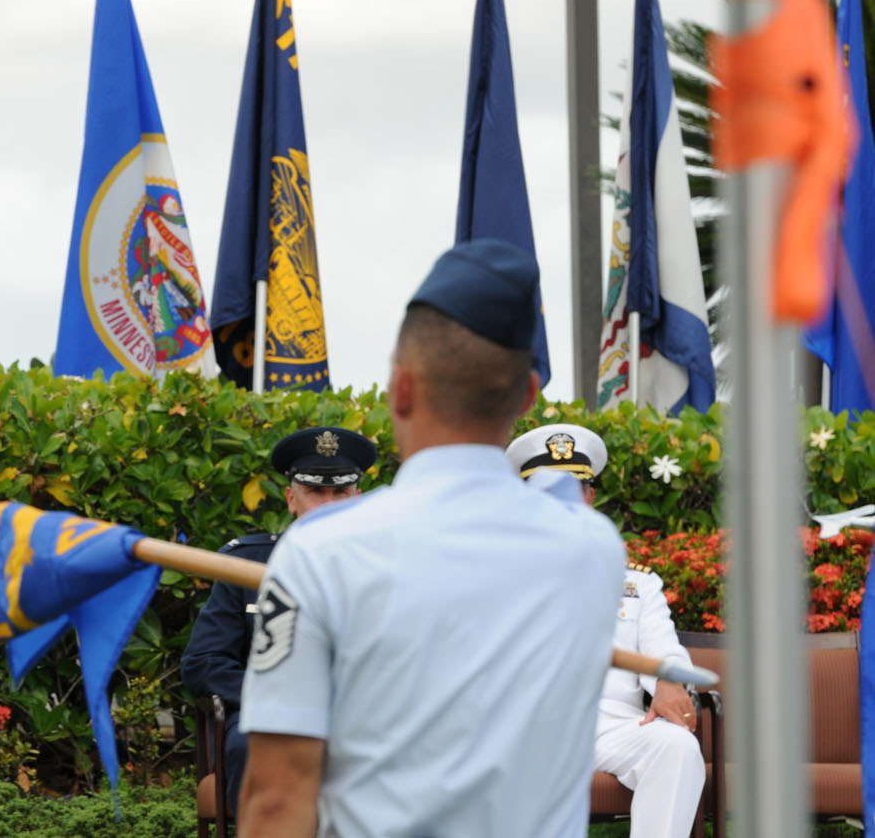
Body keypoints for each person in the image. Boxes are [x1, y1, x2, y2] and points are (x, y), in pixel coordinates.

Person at [237, 239, 627, 837]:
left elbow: (277, 799)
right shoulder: (592, 549)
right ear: (527, 396)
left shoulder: (321, 553)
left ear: (400, 389)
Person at [507, 423, 706, 838]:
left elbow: (663, 647)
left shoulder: (636, 583)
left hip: (614, 724)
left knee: (677, 748)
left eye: (574, 489)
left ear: (590, 497)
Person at [180, 425, 377, 818]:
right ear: (291, 499)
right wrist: (283, 699)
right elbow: (204, 665)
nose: (328, 503)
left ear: (358, 499)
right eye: (315, 492)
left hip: (361, 715)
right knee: (253, 747)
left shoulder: (386, 568)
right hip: (270, 718)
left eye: (340, 492)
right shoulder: (245, 565)